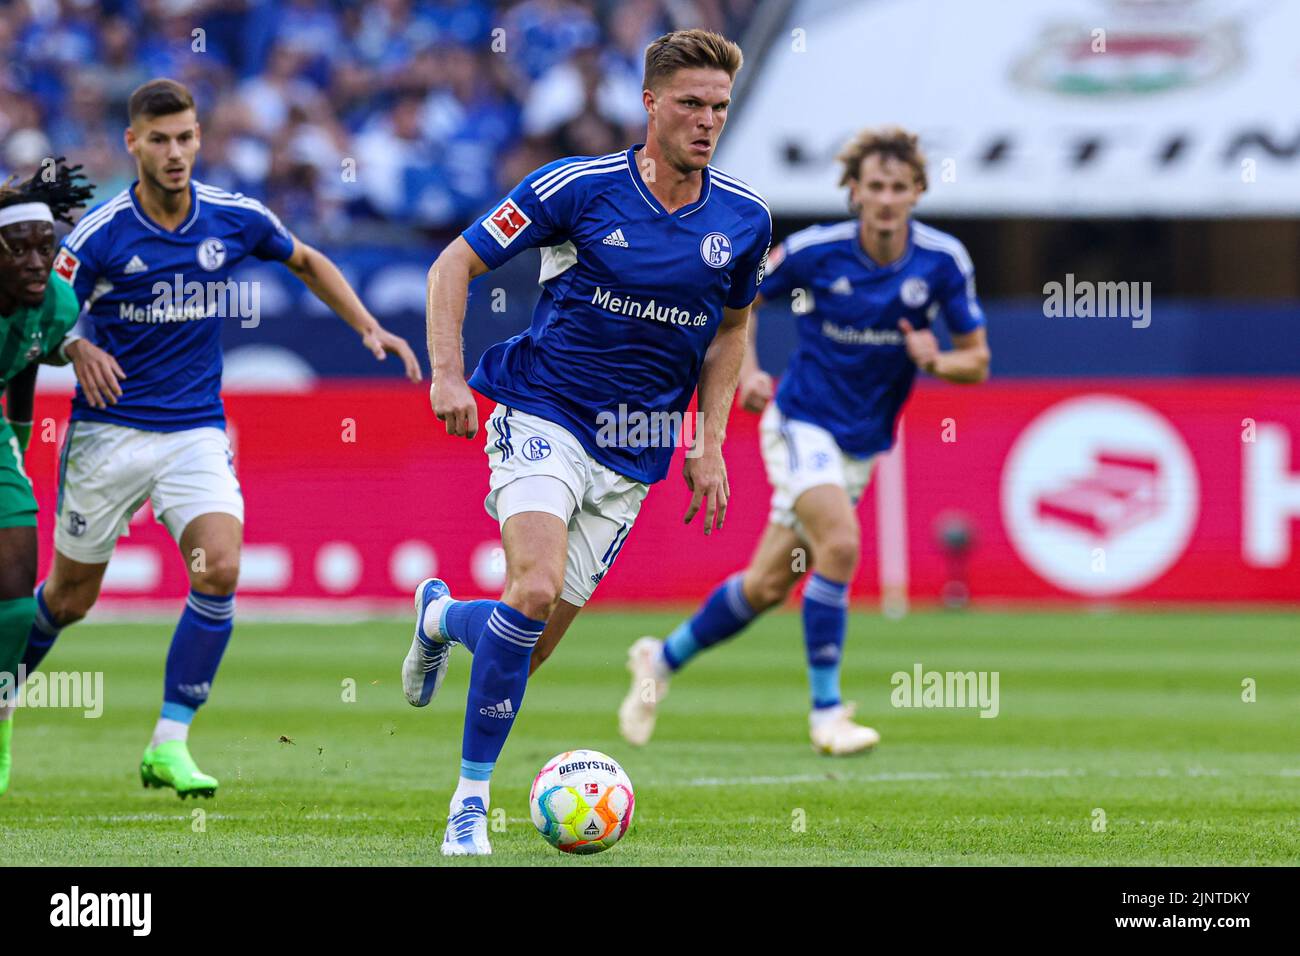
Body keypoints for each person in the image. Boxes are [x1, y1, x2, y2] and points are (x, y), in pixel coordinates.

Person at [404, 29, 771, 855]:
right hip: (544, 412)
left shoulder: (745, 219)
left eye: (719, 106)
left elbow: (731, 330)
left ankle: (439, 618)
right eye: (690, 104)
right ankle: (469, 806)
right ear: (649, 104)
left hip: (633, 452)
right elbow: (452, 266)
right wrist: (448, 375)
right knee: (530, 593)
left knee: (521, 649)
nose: (707, 121)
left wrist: (707, 442)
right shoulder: (578, 187)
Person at [21, 78, 421, 798]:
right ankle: (4, 695)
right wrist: (76, 347)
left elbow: (304, 258)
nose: (175, 153)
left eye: (186, 138)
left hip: (193, 433)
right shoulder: (101, 235)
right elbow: (39, 322)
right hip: (107, 435)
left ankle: (169, 742)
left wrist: (365, 323)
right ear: (133, 143)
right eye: (160, 140)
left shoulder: (233, 217)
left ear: (200, 139)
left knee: (220, 570)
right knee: (69, 598)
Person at [617, 127, 991, 755]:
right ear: (853, 191)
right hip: (800, 421)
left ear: (918, 193)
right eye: (874, 186)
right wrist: (751, 371)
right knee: (840, 545)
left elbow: (977, 361)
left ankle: (661, 659)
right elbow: (740, 298)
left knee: (768, 585)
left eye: (899, 188)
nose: (886, 199)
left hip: (861, 444)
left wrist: (935, 359)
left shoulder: (943, 262)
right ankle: (827, 715)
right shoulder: (816, 251)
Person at [0, 160, 97, 795]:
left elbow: (28, 362)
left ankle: (1, 712)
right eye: (20, 249)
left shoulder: (58, 303)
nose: (39, 262)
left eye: (48, 247)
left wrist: (20, 435)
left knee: (15, 593)